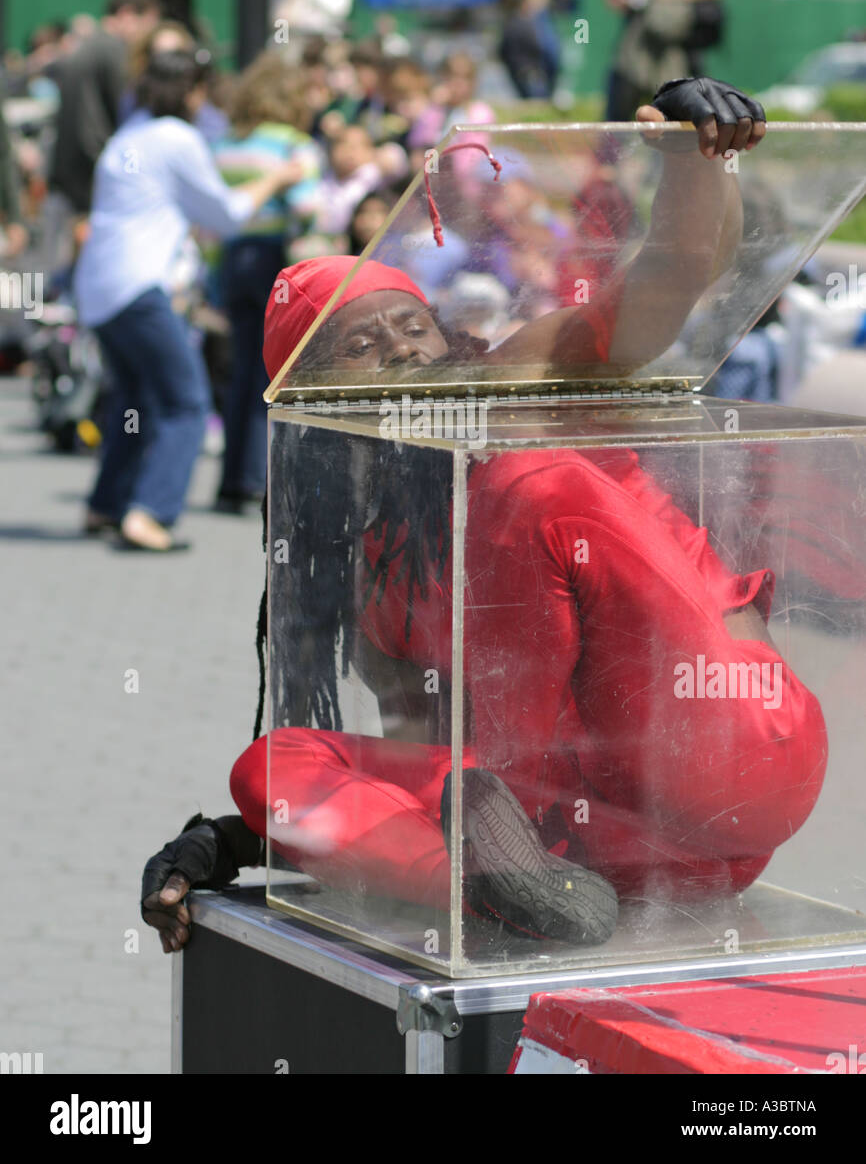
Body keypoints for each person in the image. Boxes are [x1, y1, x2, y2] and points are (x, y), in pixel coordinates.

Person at [141, 78, 824, 954]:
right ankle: (498, 890)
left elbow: (676, 271)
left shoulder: (516, 381)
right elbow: (441, 780)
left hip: (732, 742)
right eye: (359, 345)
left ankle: (503, 872)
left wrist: (697, 157)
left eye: (411, 325)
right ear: (309, 403)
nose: (400, 349)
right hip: (627, 848)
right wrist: (246, 839)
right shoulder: (374, 573)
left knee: (521, 482)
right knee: (274, 767)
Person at [73, 52, 302, 552]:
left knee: (134, 397)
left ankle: (106, 505)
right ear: (194, 92)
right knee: (187, 401)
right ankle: (151, 515)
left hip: (99, 286)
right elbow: (227, 215)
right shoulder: (178, 139)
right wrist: (276, 179)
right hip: (139, 285)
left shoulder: (129, 135)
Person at [210, 51, 322, 513]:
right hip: (273, 259)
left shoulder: (226, 143)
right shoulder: (293, 144)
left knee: (241, 370)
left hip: (231, 257)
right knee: (270, 372)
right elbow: (308, 205)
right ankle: (259, 478)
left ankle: (231, 479)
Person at [45, 0, 160, 274]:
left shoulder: (85, 47)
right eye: (146, 26)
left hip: (70, 177)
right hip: (93, 177)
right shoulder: (113, 50)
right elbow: (128, 116)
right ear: (127, 15)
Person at [498, 0, 561, 100]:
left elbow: (502, 52)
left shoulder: (513, 22)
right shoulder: (534, 22)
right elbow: (550, 52)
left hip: (523, 76)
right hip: (533, 77)